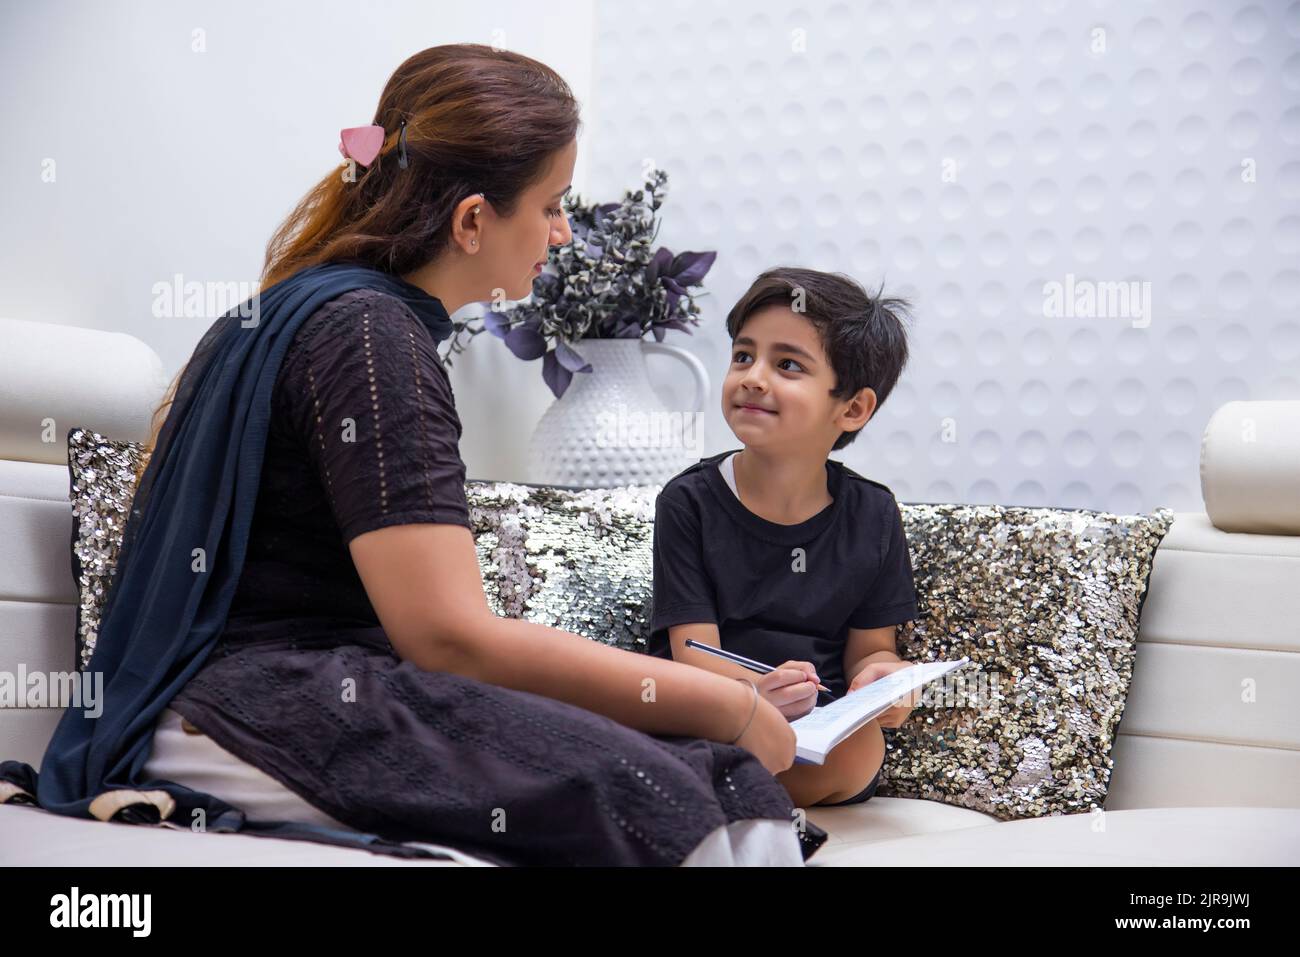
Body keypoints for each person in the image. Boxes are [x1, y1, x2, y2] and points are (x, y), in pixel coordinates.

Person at [0, 44, 821, 867]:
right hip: (251, 708)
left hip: (278, 693)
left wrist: (714, 703)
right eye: (552, 205)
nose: (563, 232)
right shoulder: (369, 336)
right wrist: (727, 704)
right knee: (688, 808)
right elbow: (449, 639)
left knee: (720, 780)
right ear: (472, 221)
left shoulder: (317, 312)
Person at [647, 267, 923, 810]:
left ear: (852, 408)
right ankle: (708, 792)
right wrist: (753, 694)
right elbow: (693, 654)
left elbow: (872, 651)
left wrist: (885, 683)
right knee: (688, 739)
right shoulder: (688, 502)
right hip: (717, 717)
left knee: (861, 749)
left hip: (818, 735)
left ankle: (712, 797)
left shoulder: (873, 514)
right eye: (743, 356)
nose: (753, 377)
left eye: (788, 365)